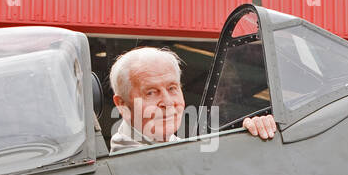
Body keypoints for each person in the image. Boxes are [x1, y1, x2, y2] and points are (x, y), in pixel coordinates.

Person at [107, 47, 277, 152]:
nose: (168, 102)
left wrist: (251, 137)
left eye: (172, 88)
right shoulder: (130, 166)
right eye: (151, 92)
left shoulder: (178, 147)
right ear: (122, 105)